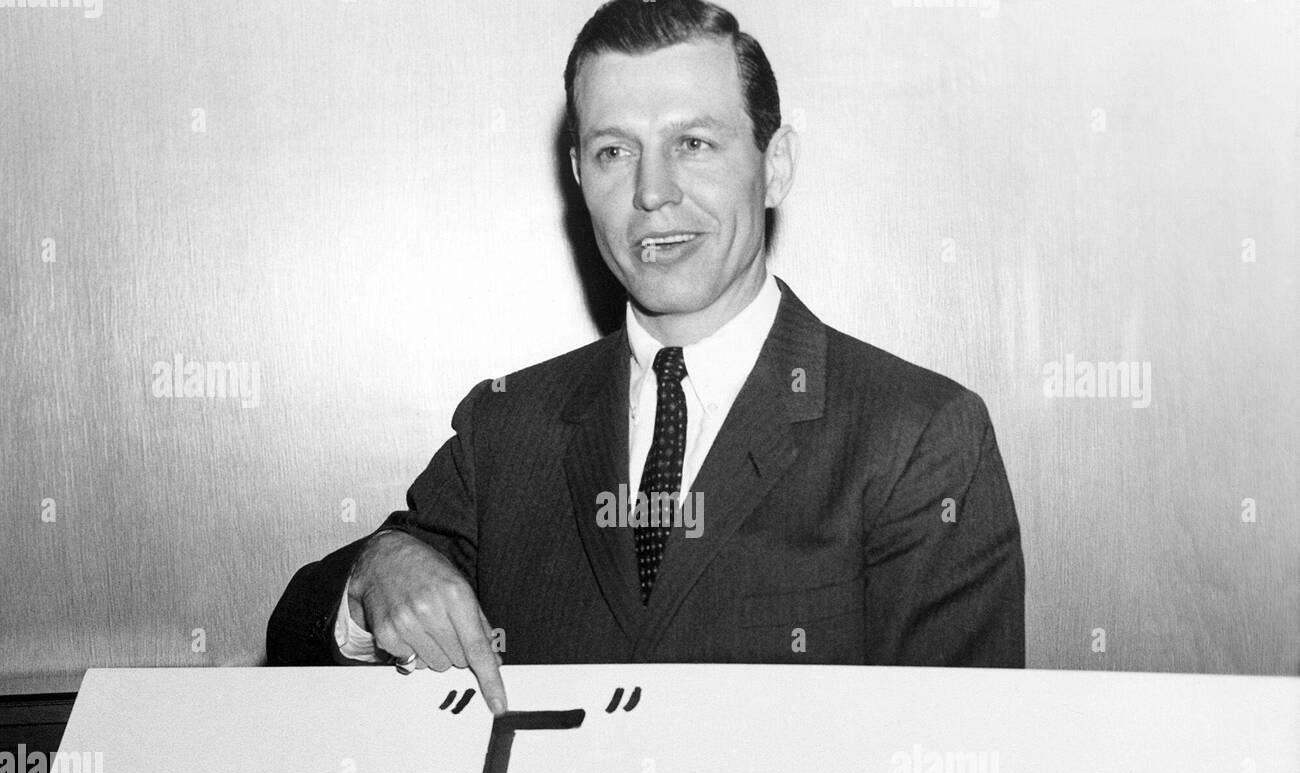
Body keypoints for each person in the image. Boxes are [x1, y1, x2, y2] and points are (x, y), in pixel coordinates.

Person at [267, 0, 1025, 713]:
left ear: (776, 165)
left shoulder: (918, 435)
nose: (652, 192)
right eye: (614, 151)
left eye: (693, 144)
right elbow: (295, 639)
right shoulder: (504, 427)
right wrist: (377, 570)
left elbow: (951, 765)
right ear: (578, 178)